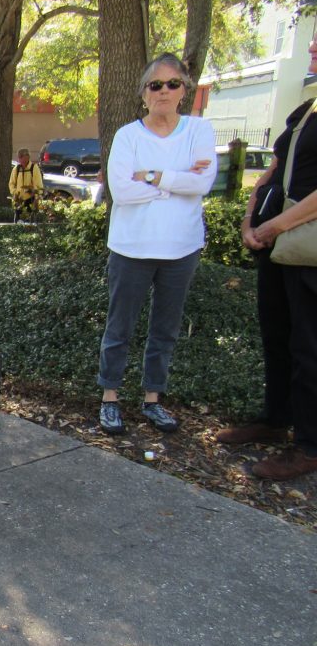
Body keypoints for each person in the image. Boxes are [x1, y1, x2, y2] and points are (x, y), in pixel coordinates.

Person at [97, 53, 217, 435]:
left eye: (172, 84)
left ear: (184, 90)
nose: (163, 91)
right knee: (119, 328)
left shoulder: (199, 131)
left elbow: (201, 184)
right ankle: (110, 399)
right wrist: (176, 180)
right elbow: (122, 191)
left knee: (165, 330)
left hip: (181, 249)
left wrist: (151, 175)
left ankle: (153, 399)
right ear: (143, 94)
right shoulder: (128, 136)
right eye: (155, 85)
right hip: (131, 248)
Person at [218, 37, 317, 481]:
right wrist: (249, 219)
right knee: (277, 337)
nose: (312, 47)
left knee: (309, 347)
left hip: (307, 249)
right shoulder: (305, 111)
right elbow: (273, 172)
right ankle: (275, 421)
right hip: (276, 249)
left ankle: (309, 445)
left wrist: (276, 226)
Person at [8, 148, 44, 221]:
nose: (20, 160)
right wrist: (15, 193)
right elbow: (11, 183)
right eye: (19, 157)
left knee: (31, 221)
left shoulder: (34, 168)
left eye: (22, 157)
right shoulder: (16, 168)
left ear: (27, 157)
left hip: (31, 199)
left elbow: (38, 184)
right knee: (18, 221)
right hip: (19, 200)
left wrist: (36, 198)